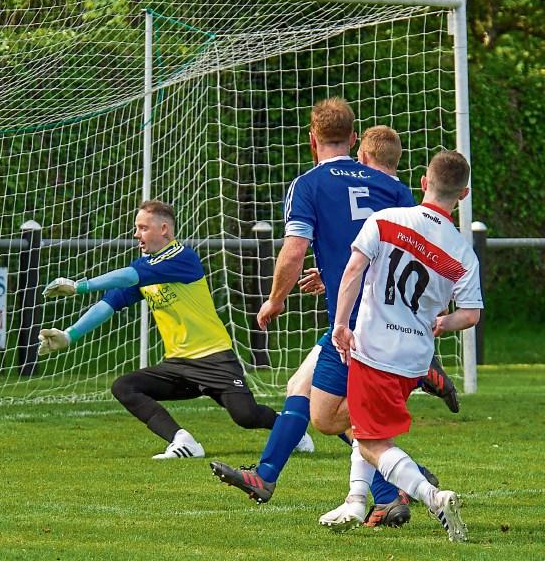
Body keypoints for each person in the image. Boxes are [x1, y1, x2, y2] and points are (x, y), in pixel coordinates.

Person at [210, 102, 436, 523]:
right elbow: (407, 252)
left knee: (329, 415)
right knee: (301, 385)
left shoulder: (308, 184)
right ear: (353, 138)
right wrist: (332, 274)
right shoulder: (391, 186)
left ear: (312, 140)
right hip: (392, 315)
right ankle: (267, 476)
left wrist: (276, 299)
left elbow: (295, 248)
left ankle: (400, 482)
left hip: (351, 323)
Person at [37, 200, 314, 459]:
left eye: (143, 228)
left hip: (215, 359)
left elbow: (129, 275)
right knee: (125, 386)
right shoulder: (144, 269)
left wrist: (80, 286)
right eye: (136, 228)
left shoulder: (181, 257)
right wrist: (69, 335)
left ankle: (292, 431)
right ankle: (183, 441)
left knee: (246, 416)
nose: (136, 234)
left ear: (164, 230)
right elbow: (108, 304)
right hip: (178, 365)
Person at [320, 150, 481, 542]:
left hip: (375, 348)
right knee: (365, 425)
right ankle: (356, 500)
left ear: (424, 182)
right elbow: (471, 315)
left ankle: (433, 497)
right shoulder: (462, 252)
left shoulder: (386, 220)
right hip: (414, 360)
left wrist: (340, 324)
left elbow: (353, 270)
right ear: (462, 195)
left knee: (371, 441)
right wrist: (442, 322)